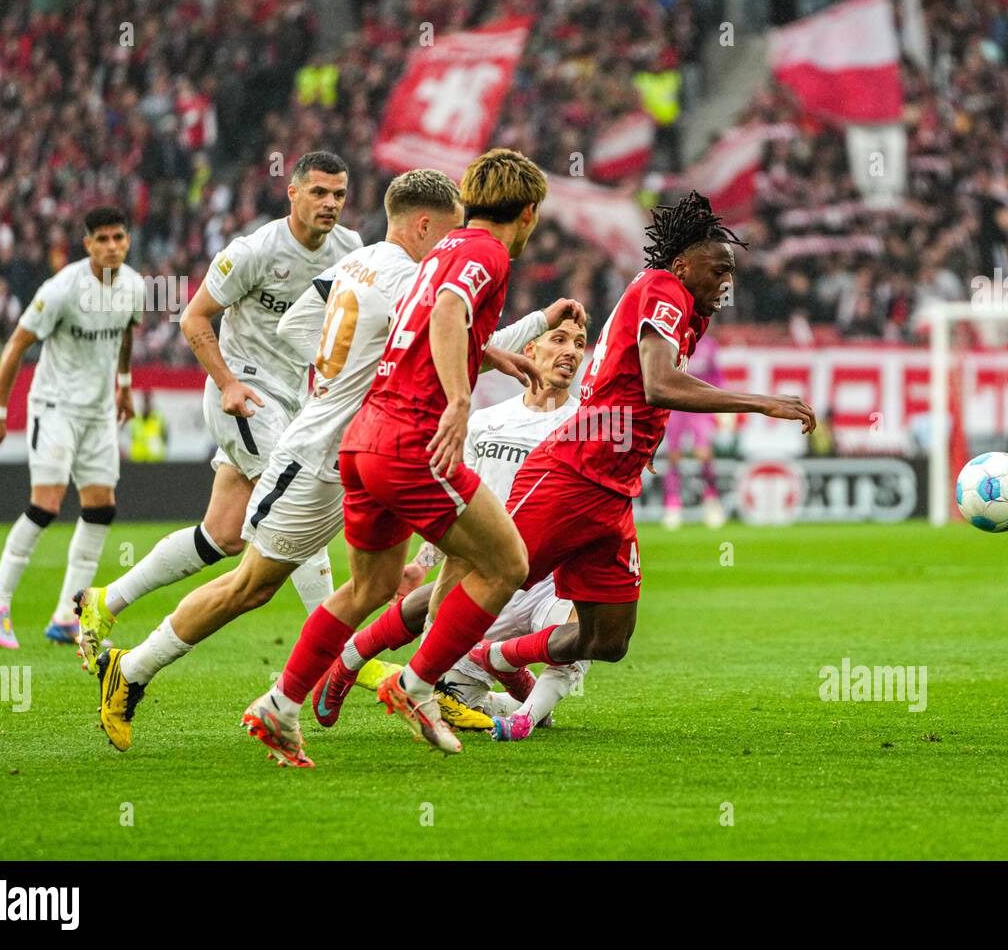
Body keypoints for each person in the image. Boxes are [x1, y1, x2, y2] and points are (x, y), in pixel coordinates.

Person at [92, 169, 565, 753]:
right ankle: (134, 669)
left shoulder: (357, 262)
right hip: (322, 455)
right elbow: (443, 327)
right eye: (443, 234)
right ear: (422, 226)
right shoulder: (410, 275)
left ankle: (426, 683)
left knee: (393, 578)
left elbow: (297, 327)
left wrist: (334, 374)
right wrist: (536, 325)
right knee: (251, 586)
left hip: (358, 445)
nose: (449, 245)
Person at [242, 148, 582, 765]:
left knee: (371, 586)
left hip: (364, 437)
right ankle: (417, 683)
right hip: (414, 441)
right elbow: (450, 313)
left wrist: (495, 354)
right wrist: (458, 399)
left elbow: (431, 324)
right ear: (528, 212)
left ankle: (279, 704)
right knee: (507, 563)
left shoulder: (442, 249)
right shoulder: (487, 252)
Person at [466, 191, 816, 742]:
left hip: (613, 481)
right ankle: (378, 659)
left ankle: (498, 656)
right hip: (576, 470)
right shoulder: (664, 288)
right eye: (718, 267)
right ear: (682, 265)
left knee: (609, 640)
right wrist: (760, 401)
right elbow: (657, 383)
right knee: (490, 574)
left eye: (731, 271)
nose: (727, 279)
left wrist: (637, 446)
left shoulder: (687, 314)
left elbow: (632, 388)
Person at [74, 152, 361, 668]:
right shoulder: (253, 251)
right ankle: (338, 655)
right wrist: (226, 382)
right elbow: (193, 318)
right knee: (302, 500)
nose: (330, 204)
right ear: (292, 193)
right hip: (244, 395)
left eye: (338, 194)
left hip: (294, 400)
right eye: (319, 192)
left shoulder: (349, 249)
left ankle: (104, 601)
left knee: (222, 536)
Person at [313, 317, 590, 740]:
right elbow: (456, 507)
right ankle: (350, 658)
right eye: (559, 339)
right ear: (530, 351)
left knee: (581, 633)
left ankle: (519, 710)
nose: (571, 351)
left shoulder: (586, 426)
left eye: (580, 344)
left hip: (549, 581)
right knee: (452, 687)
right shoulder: (484, 421)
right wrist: (421, 564)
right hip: (491, 576)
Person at [0, 206, 144, 649]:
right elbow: (16, 346)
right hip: (54, 408)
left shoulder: (134, 286)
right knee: (46, 506)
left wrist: (123, 385)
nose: (112, 247)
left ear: (127, 241)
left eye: (118, 238)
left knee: (101, 509)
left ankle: (69, 618)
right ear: (87, 244)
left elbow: (126, 333)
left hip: (99, 412)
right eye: (102, 239)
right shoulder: (62, 289)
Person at [661, 330, 725, 529]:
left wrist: (721, 406)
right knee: (674, 456)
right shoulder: (672, 341)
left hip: (701, 406)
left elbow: (716, 376)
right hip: (676, 406)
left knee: (704, 454)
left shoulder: (709, 344)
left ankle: (711, 501)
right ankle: (672, 504)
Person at [129, 389, 167, 462]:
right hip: (137, 460)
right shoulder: (135, 419)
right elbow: (130, 438)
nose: (146, 403)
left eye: (148, 400)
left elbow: (165, 438)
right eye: (144, 400)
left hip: (155, 461)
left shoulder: (159, 418)